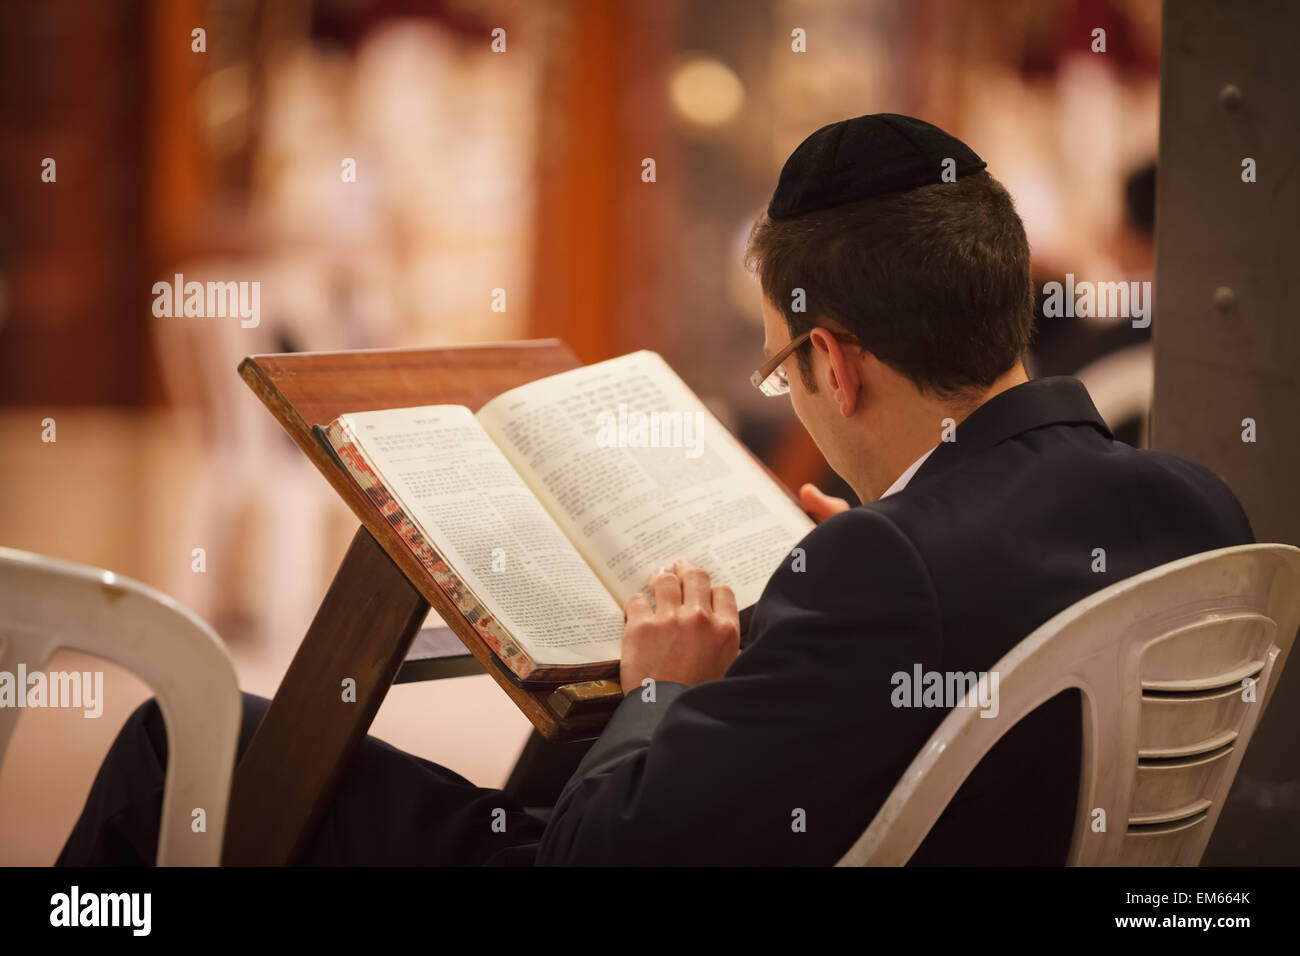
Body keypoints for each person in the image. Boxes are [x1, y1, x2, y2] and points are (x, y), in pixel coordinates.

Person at [58, 114, 1252, 866]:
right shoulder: (1196, 507)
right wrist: (851, 600)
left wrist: (661, 691)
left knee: (186, 742)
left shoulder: (888, 572)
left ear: (833, 359)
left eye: (784, 371)